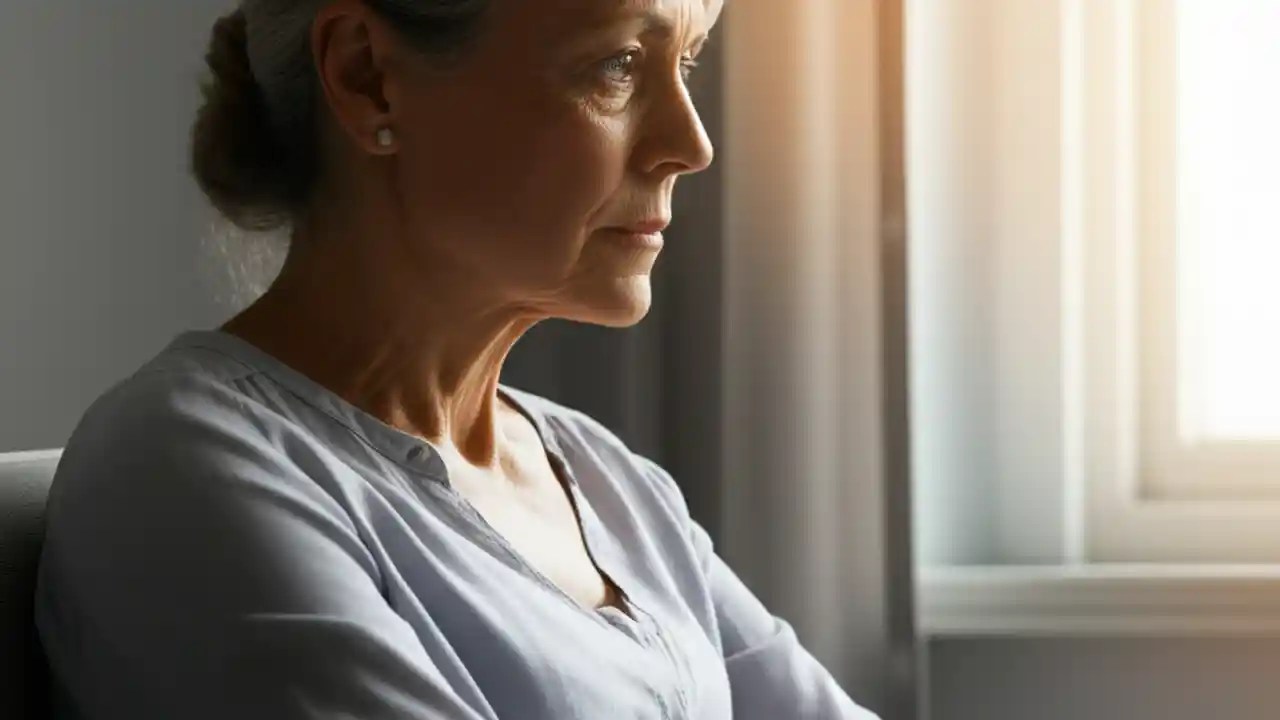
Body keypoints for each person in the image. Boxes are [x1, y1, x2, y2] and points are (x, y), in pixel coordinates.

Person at [33, 1, 880, 718]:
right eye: (618, 65)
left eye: (685, 65)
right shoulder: (188, 471)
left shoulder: (613, 483)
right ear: (368, 77)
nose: (690, 144)